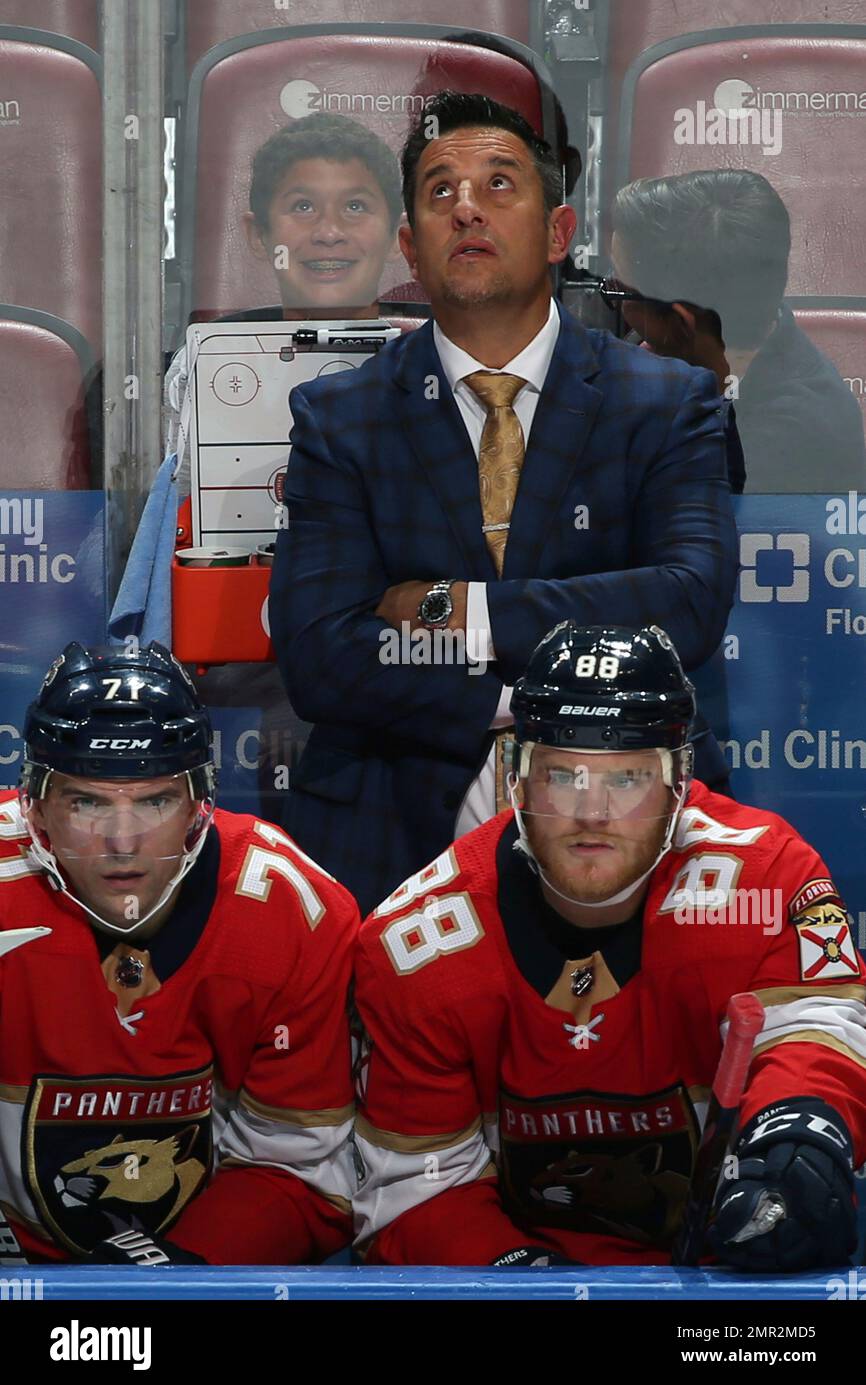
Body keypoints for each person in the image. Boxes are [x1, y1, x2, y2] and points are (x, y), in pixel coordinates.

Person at [269, 91, 738, 915]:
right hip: (393, 821)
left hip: (628, 812)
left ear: (559, 233)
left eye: (498, 184)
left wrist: (463, 612)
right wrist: (523, 699)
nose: (467, 209)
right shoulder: (341, 418)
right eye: (440, 191)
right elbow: (322, 657)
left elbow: (688, 601)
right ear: (411, 247)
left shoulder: (667, 401)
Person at [352, 622, 866, 1269]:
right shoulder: (416, 946)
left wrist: (797, 1134)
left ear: (680, 782)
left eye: (626, 778)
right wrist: (533, 1284)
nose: (592, 812)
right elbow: (417, 1191)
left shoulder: (767, 876)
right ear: (516, 777)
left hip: (722, 1285)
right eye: (563, 775)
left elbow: (817, 1035)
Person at [0, 641, 357, 1265]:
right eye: (86, 801)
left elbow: (299, 1171)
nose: (120, 841)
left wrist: (180, 1277)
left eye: (154, 800)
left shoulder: (293, 911)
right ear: (36, 806)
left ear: (200, 802)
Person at [165, 112, 406, 493]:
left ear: (397, 236)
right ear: (258, 234)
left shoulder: (437, 362)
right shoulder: (200, 364)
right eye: (303, 206)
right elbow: (180, 519)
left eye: (356, 206)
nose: (329, 232)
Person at [609, 169, 865, 492]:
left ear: (681, 324)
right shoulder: (665, 349)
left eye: (619, 289)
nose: (613, 297)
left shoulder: (793, 438)